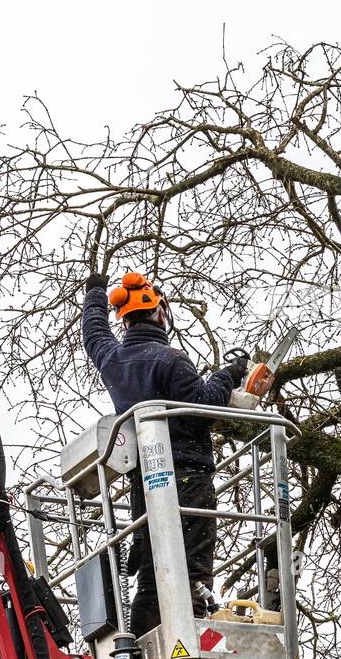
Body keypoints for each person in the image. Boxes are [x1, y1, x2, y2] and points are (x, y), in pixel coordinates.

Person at [82, 270, 248, 635]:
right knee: (191, 562)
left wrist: (95, 293)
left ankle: (143, 645)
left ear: (125, 318)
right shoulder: (171, 360)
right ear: (160, 313)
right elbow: (201, 406)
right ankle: (191, 630)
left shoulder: (113, 359)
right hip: (186, 475)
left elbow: (94, 333)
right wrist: (228, 375)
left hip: (145, 481)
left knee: (152, 570)